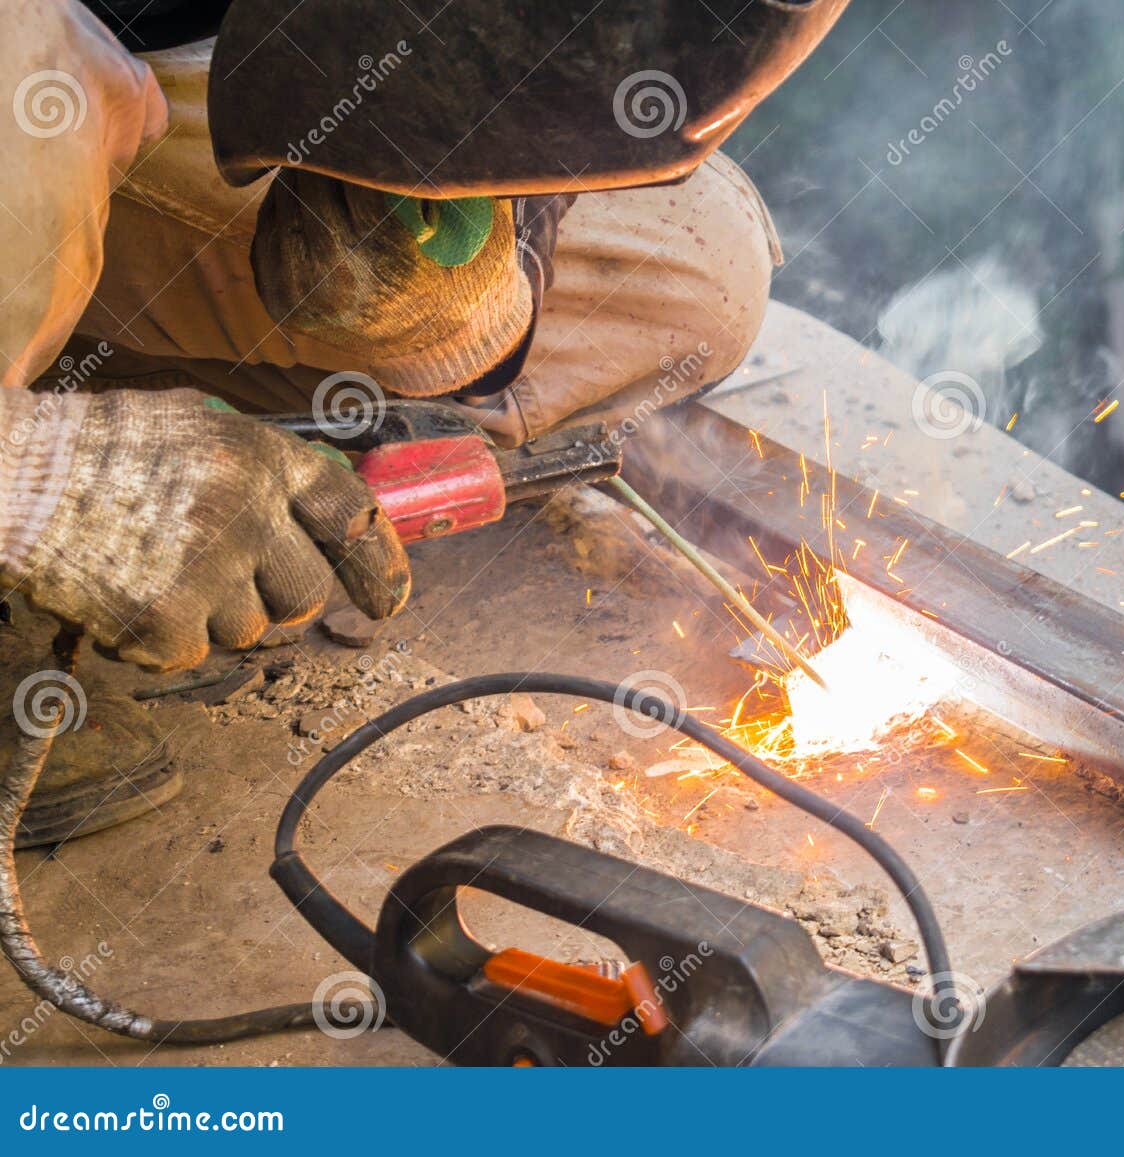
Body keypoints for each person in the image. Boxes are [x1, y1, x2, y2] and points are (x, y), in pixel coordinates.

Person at [0, 0, 820, 842]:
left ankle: (84, 367)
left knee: (701, 265)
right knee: (30, 78)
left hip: (166, 77)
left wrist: (497, 209)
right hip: (32, 79)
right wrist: (50, 478)